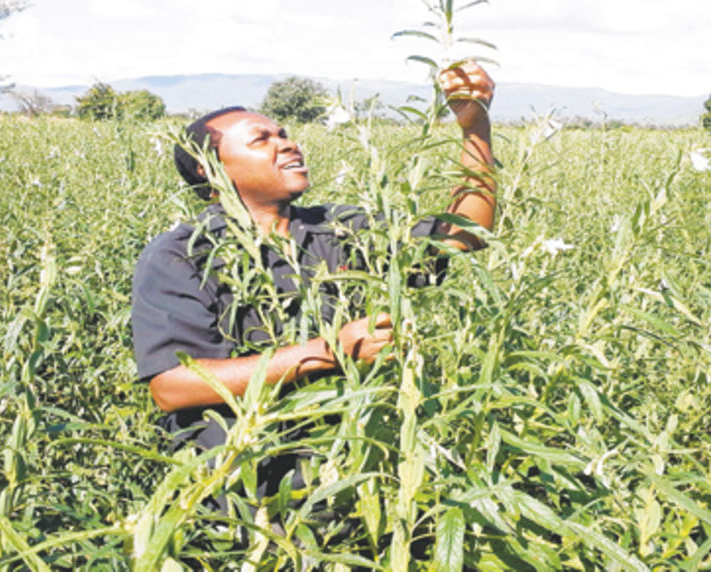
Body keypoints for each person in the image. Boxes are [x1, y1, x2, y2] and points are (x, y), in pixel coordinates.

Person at [130, 63, 495, 500]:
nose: (288, 144)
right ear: (210, 170)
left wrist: (474, 127)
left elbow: (466, 234)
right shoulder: (181, 254)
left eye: (283, 134)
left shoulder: (340, 228)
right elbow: (171, 386)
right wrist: (328, 353)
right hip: (243, 495)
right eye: (261, 139)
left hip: (354, 483)